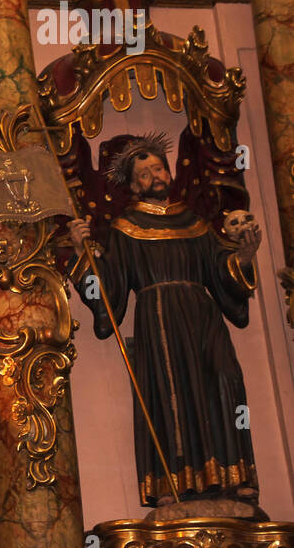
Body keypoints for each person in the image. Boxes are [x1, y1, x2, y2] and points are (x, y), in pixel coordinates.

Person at [69, 133, 261, 507]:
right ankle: (174, 482)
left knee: (227, 380)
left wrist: (243, 260)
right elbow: (110, 292)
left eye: (158, 168)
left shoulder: (195, 221)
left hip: (202, 315)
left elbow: (220, 270)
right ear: (133, 184)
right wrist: (82, 253)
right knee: (171, 393)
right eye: (145, 173)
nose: (155, 176)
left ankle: (236, 474)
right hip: (159, 320)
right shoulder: (126, 228)